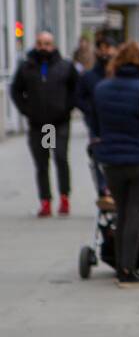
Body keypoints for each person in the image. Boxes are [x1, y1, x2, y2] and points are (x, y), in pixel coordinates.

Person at [93, 41, 139, 287]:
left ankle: (121, 265)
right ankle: (128, 268)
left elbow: (95, 125)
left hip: (111, 162)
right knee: (135, 213)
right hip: (138, 160)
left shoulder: (102, 89)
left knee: (123, 212)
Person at [9, 31, 78, 217]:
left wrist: (67, 108)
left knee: (61, 158)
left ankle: (64, 197)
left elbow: (75, 89)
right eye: (40, 43)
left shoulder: (65, 66)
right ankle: (45, 201)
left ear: (53, 45)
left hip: (59, 123)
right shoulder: (26, 67)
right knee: (42, 164)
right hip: (38, 124)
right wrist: (27, 110)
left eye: (47, 43)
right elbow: (15, 91)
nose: (43, 47)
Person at [74, 29, 119, 198]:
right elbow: (78, 97)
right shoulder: (89, 76)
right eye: (101, 48)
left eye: (108, 47)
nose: (105, 51)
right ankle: (103, 189)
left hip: (119, 122)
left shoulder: (119, 74)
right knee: (99, 155)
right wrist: (91, 110)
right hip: (96, 124)